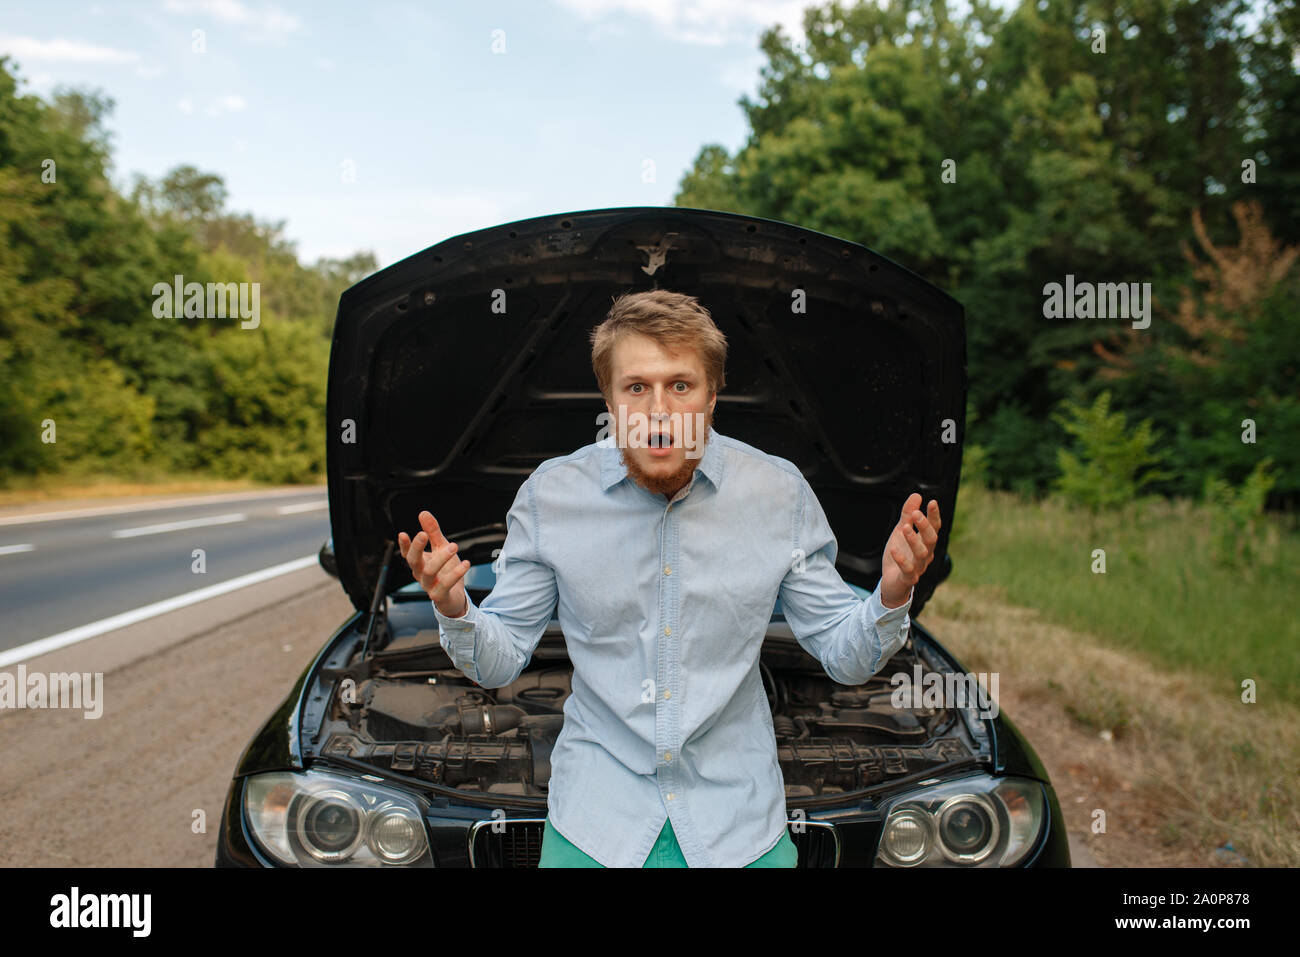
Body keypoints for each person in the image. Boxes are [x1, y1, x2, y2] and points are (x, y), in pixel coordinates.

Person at [397, 289, 941, 867]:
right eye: (637, 387)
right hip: (593, 825)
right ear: (609, 397)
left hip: (741, 830)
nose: (659, 410)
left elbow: (843, 653)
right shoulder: (550, 497)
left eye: (680, 385)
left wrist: (891, 594)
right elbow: (498, 661)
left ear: (712, 394)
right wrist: (456, 609)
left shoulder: (779, 495)